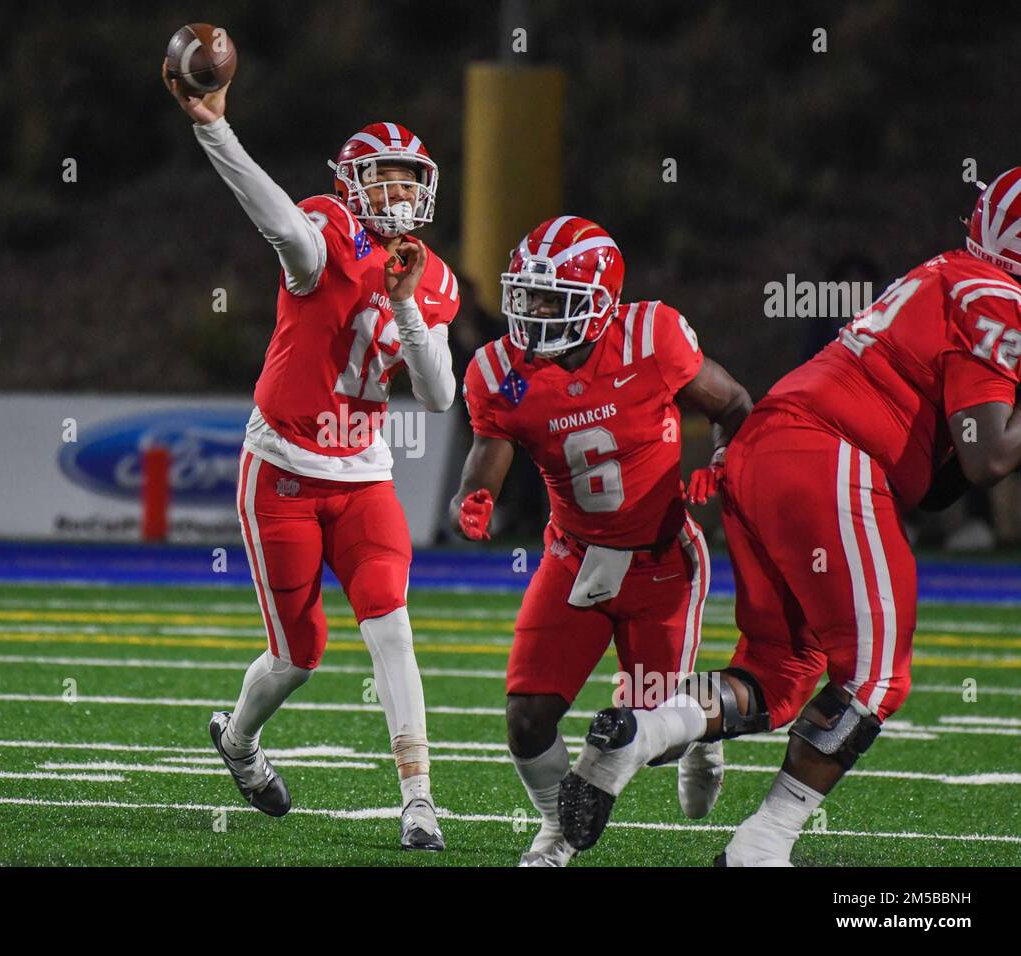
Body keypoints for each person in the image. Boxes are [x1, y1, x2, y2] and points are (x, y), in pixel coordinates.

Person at [558, 168, 1021, 866]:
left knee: (779, 672)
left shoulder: (952, 276)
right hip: (828, 454)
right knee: (875, 677)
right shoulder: (995, 295)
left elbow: (942, 481)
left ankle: (640, 735)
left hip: (770, 450)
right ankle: (763, 842)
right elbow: (989, 455)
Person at [164, 64, 459, 848]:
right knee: (300, 655)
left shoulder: (433, 280)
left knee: (390, 624)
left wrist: (402, 301)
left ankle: (420, 798)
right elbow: (279, 223)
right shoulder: (323, 232)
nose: (397, 197)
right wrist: (212, 126)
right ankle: (239, 742)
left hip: (362, 472)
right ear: (352, 186)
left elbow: (436, 396)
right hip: (284, 471)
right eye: (382, 182)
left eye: (407, 183)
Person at [450, 216, 752, 865]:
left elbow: (734, 406)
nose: (532, 313)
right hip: (574, 558)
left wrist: (725, 465)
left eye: (550, 298)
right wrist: (473, 493)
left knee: (653, 738)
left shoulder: (652, 337)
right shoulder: (502, 371)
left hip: (662, 561)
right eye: (527, 296)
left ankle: (702, 727)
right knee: (527, 720)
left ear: (599, 303)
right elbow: (489, 447)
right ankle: (557, 834)